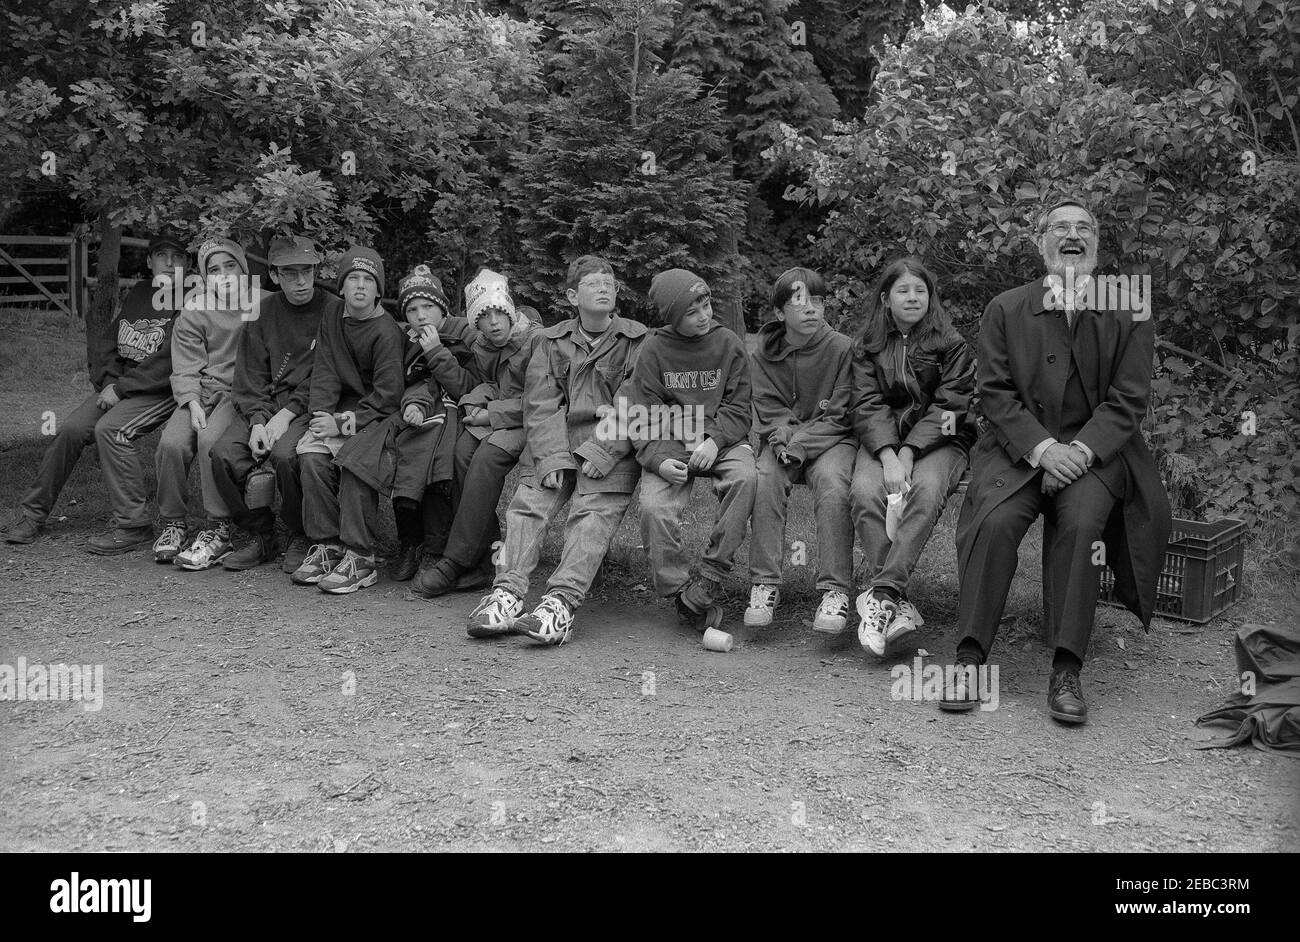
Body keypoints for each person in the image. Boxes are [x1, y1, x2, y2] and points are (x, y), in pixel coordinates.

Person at [944, 197, 1172, 724]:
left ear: (1096, 242)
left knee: (1084, 523)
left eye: (1083, 228)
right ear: (1040, 242)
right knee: (995, 520)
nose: (1072, 236)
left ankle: (1067, 669)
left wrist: (1079, 451)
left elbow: (1129, 400)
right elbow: (994, 395)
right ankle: (970, 658)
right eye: (1060, 228)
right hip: (1018, 451)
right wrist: (1044, 450)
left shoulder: (1129, 308)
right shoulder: (1005, 308)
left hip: (1095, 456)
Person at [466, 254, 647, 645]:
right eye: (593, 283)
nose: (604, 288)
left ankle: (560, 603)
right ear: (571, 296)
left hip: (611, 451)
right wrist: (550, 457)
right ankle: (507, 594)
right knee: (529, 504)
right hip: (558, 444)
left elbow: (635, 403)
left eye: (609, 283)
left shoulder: (637, 340)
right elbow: (540, 403)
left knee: (591, 514)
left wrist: (601, 453)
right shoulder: (550, 342)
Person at [2, 233, 187, 554]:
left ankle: (133, 525)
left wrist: (122, 388)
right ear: (149, 261)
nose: (170, 265)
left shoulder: (189, 299)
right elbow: (108, 344)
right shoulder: (141, 293)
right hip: (120, 386)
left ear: (187, 264)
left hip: (160, 389)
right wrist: (109, 382)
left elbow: (170, 359)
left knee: (111, 431)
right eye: (162, 256)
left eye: (178, 257)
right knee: (71, 430)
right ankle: (33, 514)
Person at [850, 257, 977, 657]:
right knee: (865, 490)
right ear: (886, 299)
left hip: (944, 440)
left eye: (920, 291)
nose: (913, 298)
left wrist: (909, 451)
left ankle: (882, 594)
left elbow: (951, 407)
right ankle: (896, 603)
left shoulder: (952, 343)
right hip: (881, 442)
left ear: (930, 297)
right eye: (903, 291)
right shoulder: (867, 344)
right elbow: (866, 404)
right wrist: (889, 453)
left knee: (925, 487)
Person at [631, 268, 756, 634]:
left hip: (723, 438)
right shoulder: (654, 349)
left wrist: (715, 440)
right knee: (654, 507)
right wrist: (658, 460)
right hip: (671, 442)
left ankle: (712, 574)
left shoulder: (728, 343)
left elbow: (739, 406)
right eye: (692, 311)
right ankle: (681, 590)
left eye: (706, 304)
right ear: (672, 317)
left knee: (746, 478)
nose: (703, 315)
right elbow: (642, 416)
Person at [336, 264, 477, 583]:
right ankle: (405, 543)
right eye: (412, 309)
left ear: (441, 306)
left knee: (433, 468)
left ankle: (434, 549)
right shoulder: (403, 338)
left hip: (451, 413)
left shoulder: (463, 332)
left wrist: (436, 352)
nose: (421, 315)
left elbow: (467, 386)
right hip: (408, 412)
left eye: (428, 306)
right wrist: (411, 402)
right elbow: (398, 382)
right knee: (381, 459)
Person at [209, 234, 340, 572]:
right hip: (263, 404)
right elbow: (248, 375)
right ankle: (259, 533)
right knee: (224, 453)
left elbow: (329, 373)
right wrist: (256, 421)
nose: (300, 281)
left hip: (306, 405)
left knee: (285, 455)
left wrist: (286, 414)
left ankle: (300, 534)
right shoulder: (261, 311)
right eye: (290, 273)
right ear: (275, 276)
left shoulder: (333, 309)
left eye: (307, 272)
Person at [410, 270, 541, 597]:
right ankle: (483, 561)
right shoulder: (483, 346)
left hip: (532, 422)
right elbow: (489, 384)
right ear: (474, 323)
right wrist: (472, 403)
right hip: (496, 415)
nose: (494, 322)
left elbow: (543, 400)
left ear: (511, 311)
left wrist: (489, 413)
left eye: (500, 313)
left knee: (484, 458)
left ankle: (454, 561)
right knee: (460, 452)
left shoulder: (536, 341)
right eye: (484, 316)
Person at [745, 267, 856, 633]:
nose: (811, 309)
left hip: (830, 440)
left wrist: (802, 445)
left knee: (833, 484)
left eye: (819, 301)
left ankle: (835, 590)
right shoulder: (762, 355)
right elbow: (768, 408)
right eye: (799, 302)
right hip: (783, 441)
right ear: (779, 313)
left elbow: (841, 414)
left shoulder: (843, 349)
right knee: (764, 478)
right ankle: (764, 583)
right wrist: (784, 442)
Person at [291, 246, 405, 593]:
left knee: (355, 463)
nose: (359, 286)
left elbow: (388, 396)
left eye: (368, 280)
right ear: (341, 287)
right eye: (352, 278)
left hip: (376, 414)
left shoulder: (386, 332)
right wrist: (321, 415)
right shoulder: (333, 315)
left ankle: (360, 555)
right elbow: (323, 368)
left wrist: (342, 425)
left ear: (377, 291)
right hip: (337, 408)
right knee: (310, 455)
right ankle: (328, 545)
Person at [153, 238, 263, 568]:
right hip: (201, 393)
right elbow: (185, 364)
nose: (223, 275)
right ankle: (173, 522)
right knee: (171, 443)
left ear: (243, 270)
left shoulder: (262, 304)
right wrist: (191, 401)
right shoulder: (195, 310)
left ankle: (218, 528)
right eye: (213, 270)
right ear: (204, 277)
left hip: (238, 393)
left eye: (230, 266)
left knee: (209, 440)